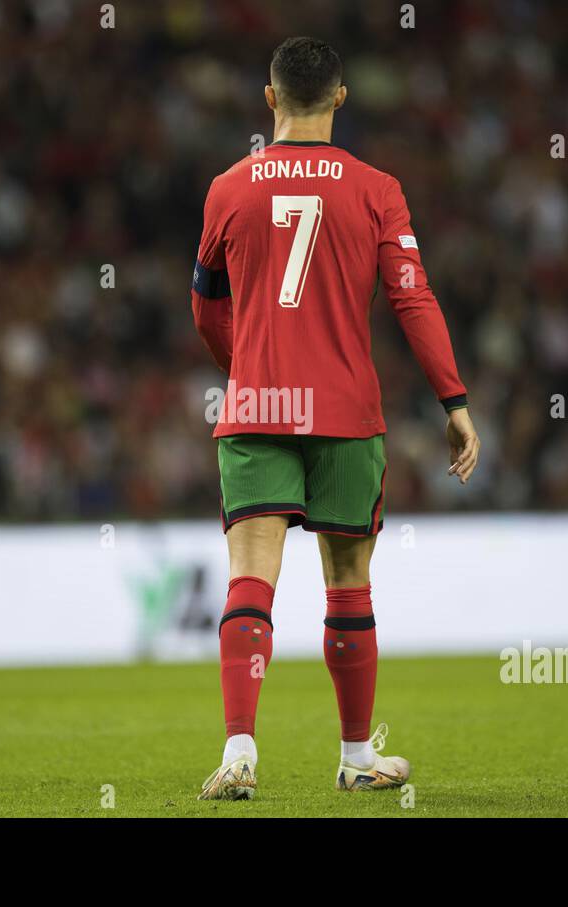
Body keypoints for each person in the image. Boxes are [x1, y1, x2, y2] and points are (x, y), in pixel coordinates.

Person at [191, 37, 480, 800]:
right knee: (348, 585)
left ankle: (240, 749)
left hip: (256, 407)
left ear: (269, 98)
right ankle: (356, 755)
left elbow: (205, 306)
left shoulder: (228, 187)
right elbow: (412, 298)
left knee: (249, 579)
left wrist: (246, 367)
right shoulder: (377, 188)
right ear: (342, 99)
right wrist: (452, 399)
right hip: (347, 412)